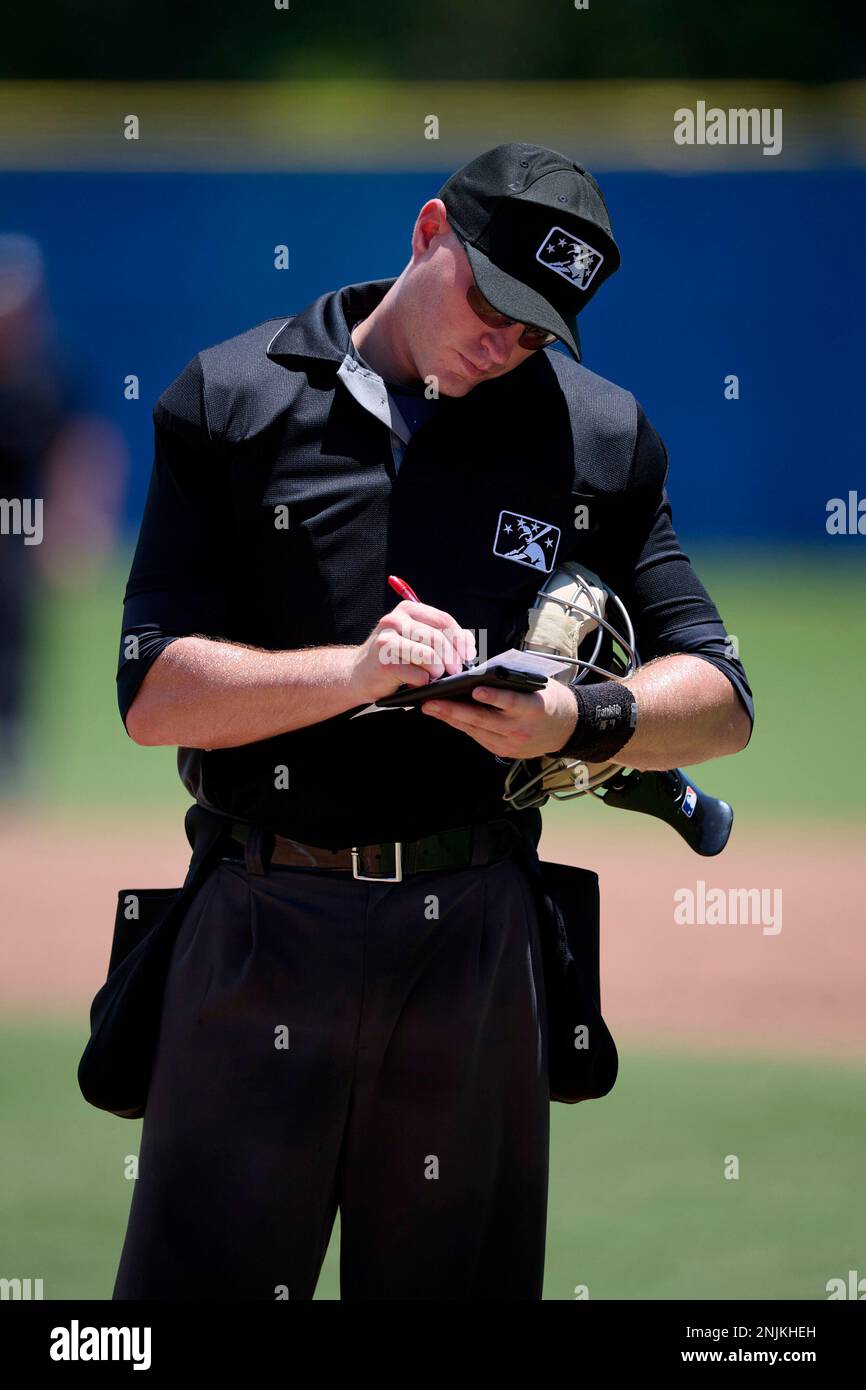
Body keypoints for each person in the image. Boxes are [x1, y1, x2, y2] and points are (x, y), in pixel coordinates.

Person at [112, 143, 753, 1301]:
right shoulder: (233, 395)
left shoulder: (594, 437)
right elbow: (154, 696)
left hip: (475, 939)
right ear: (426, 236)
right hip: (259, 922)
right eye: (492, 300)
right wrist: (358, 670)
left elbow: (718, 699)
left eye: (536, 328)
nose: (504, 341)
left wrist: (577, 714)